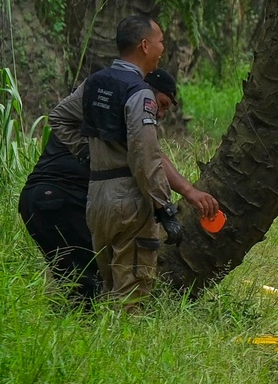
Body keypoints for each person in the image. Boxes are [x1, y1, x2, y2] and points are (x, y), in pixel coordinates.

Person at [18, 68, 218, 303]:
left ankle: (75, 328)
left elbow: (149, 155)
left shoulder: (105, 110)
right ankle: (96, 330)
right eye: (162, 104)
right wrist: (173, 203)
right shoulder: (124, 105)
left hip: (36, 200)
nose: (161, 114)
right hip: (60, 200)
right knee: (90, 286)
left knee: (77, 281)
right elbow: (148, 159)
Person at [48, 15, 203, 304]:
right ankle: (126, 344)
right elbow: (145, 157)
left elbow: (58, 118)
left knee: (109, 289)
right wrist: (164, 208)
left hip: (96, 199)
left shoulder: (94, 83)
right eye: (160, 43)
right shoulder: (140, 93)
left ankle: (105, 345)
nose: (162, 50)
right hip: (129, 200)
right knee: (131, 296)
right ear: (144, 46)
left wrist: (85, 153)